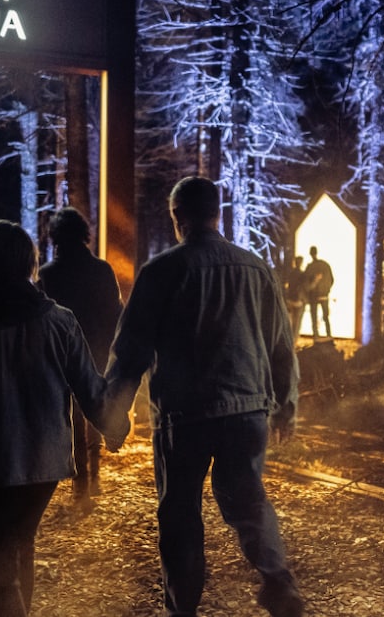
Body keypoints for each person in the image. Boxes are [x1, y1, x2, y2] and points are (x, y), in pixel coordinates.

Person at [105, 176, 303, 617]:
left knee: (179, 516)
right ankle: (278, 581)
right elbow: (280, 345)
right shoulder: (257, 269)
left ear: (178, 217)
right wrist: (285, 404)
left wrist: (114, 414)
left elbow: (131, 349)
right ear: (218, 213)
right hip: (248, 410)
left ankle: (184, 609)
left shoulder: (161, 271)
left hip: (184, 416)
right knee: (248, 501)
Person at [0, 220, 128, 617]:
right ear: (33, 265)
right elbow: (89, 388)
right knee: (19, 545)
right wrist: (115, 424)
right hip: (42, 462)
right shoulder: (60, 321)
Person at [39, 206, 124, 508]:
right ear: (84, 236)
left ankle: (81, 486)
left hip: (62, 355)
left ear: (55, 238)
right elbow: (115, 312)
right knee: (93, 406)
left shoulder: (48, 274)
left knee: (72, 416)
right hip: (98, 348)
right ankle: (95, 476)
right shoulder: (101, 270)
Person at [303, 246, 333, 339]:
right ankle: (328, 335)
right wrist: (326, 290)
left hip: (314, 296)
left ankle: (316, 336)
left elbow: (305, 282)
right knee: (325, 317)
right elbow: (331, 280)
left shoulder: (310, 267)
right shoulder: (325, 265)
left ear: (310, 253)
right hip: (323, 295)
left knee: (314, 317)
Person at [281, 255, 307, 342]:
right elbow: (304, 287)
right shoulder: (302, 274)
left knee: (291, 321)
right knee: (297, 322)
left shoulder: (291, 274)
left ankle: (289, 339)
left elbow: (287, 286)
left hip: (290, 300)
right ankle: (294, 340)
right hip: (298, 300)